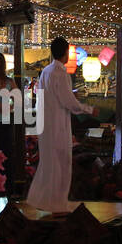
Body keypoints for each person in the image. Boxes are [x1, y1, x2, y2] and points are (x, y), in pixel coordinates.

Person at [26, 37, 96, 214]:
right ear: (65, 52)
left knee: (49, 163)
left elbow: (49, 96)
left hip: (46, 124)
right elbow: (68, 102)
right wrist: (88, 109)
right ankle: (57, 202)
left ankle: (41, 199)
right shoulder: (60, 73)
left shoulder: (46, 72)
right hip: (58, 125)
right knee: (61, 163)